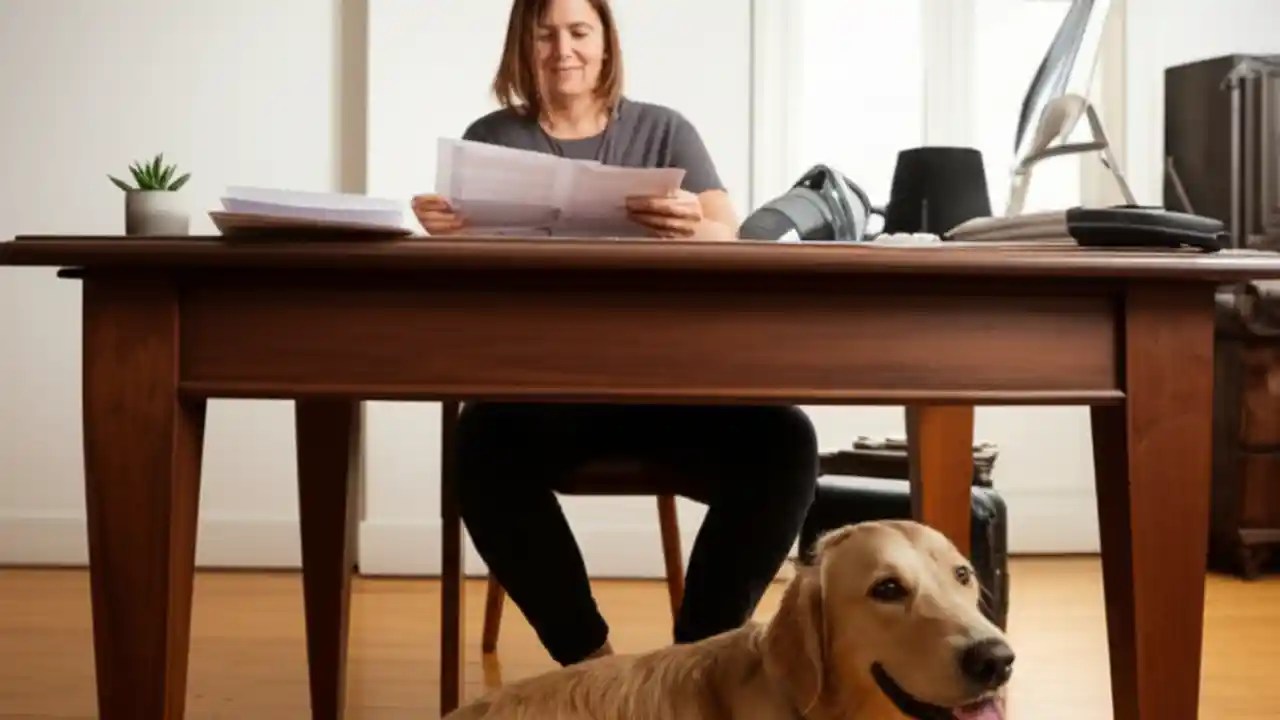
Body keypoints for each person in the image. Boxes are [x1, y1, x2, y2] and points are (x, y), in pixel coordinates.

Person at [412, 0, 819, 668]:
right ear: (524, 45)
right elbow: (474, 273)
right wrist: (448, 228)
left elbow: (737, 237)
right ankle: (591, 664)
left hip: (673, 390)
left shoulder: (665, 131)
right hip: (549, 395)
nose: (562, 49)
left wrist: (694, 222)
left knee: (786, 442)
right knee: (478, 447)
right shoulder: (491, 136)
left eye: (578, 32)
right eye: (545, 34)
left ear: (606, 43)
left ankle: (697, 664)